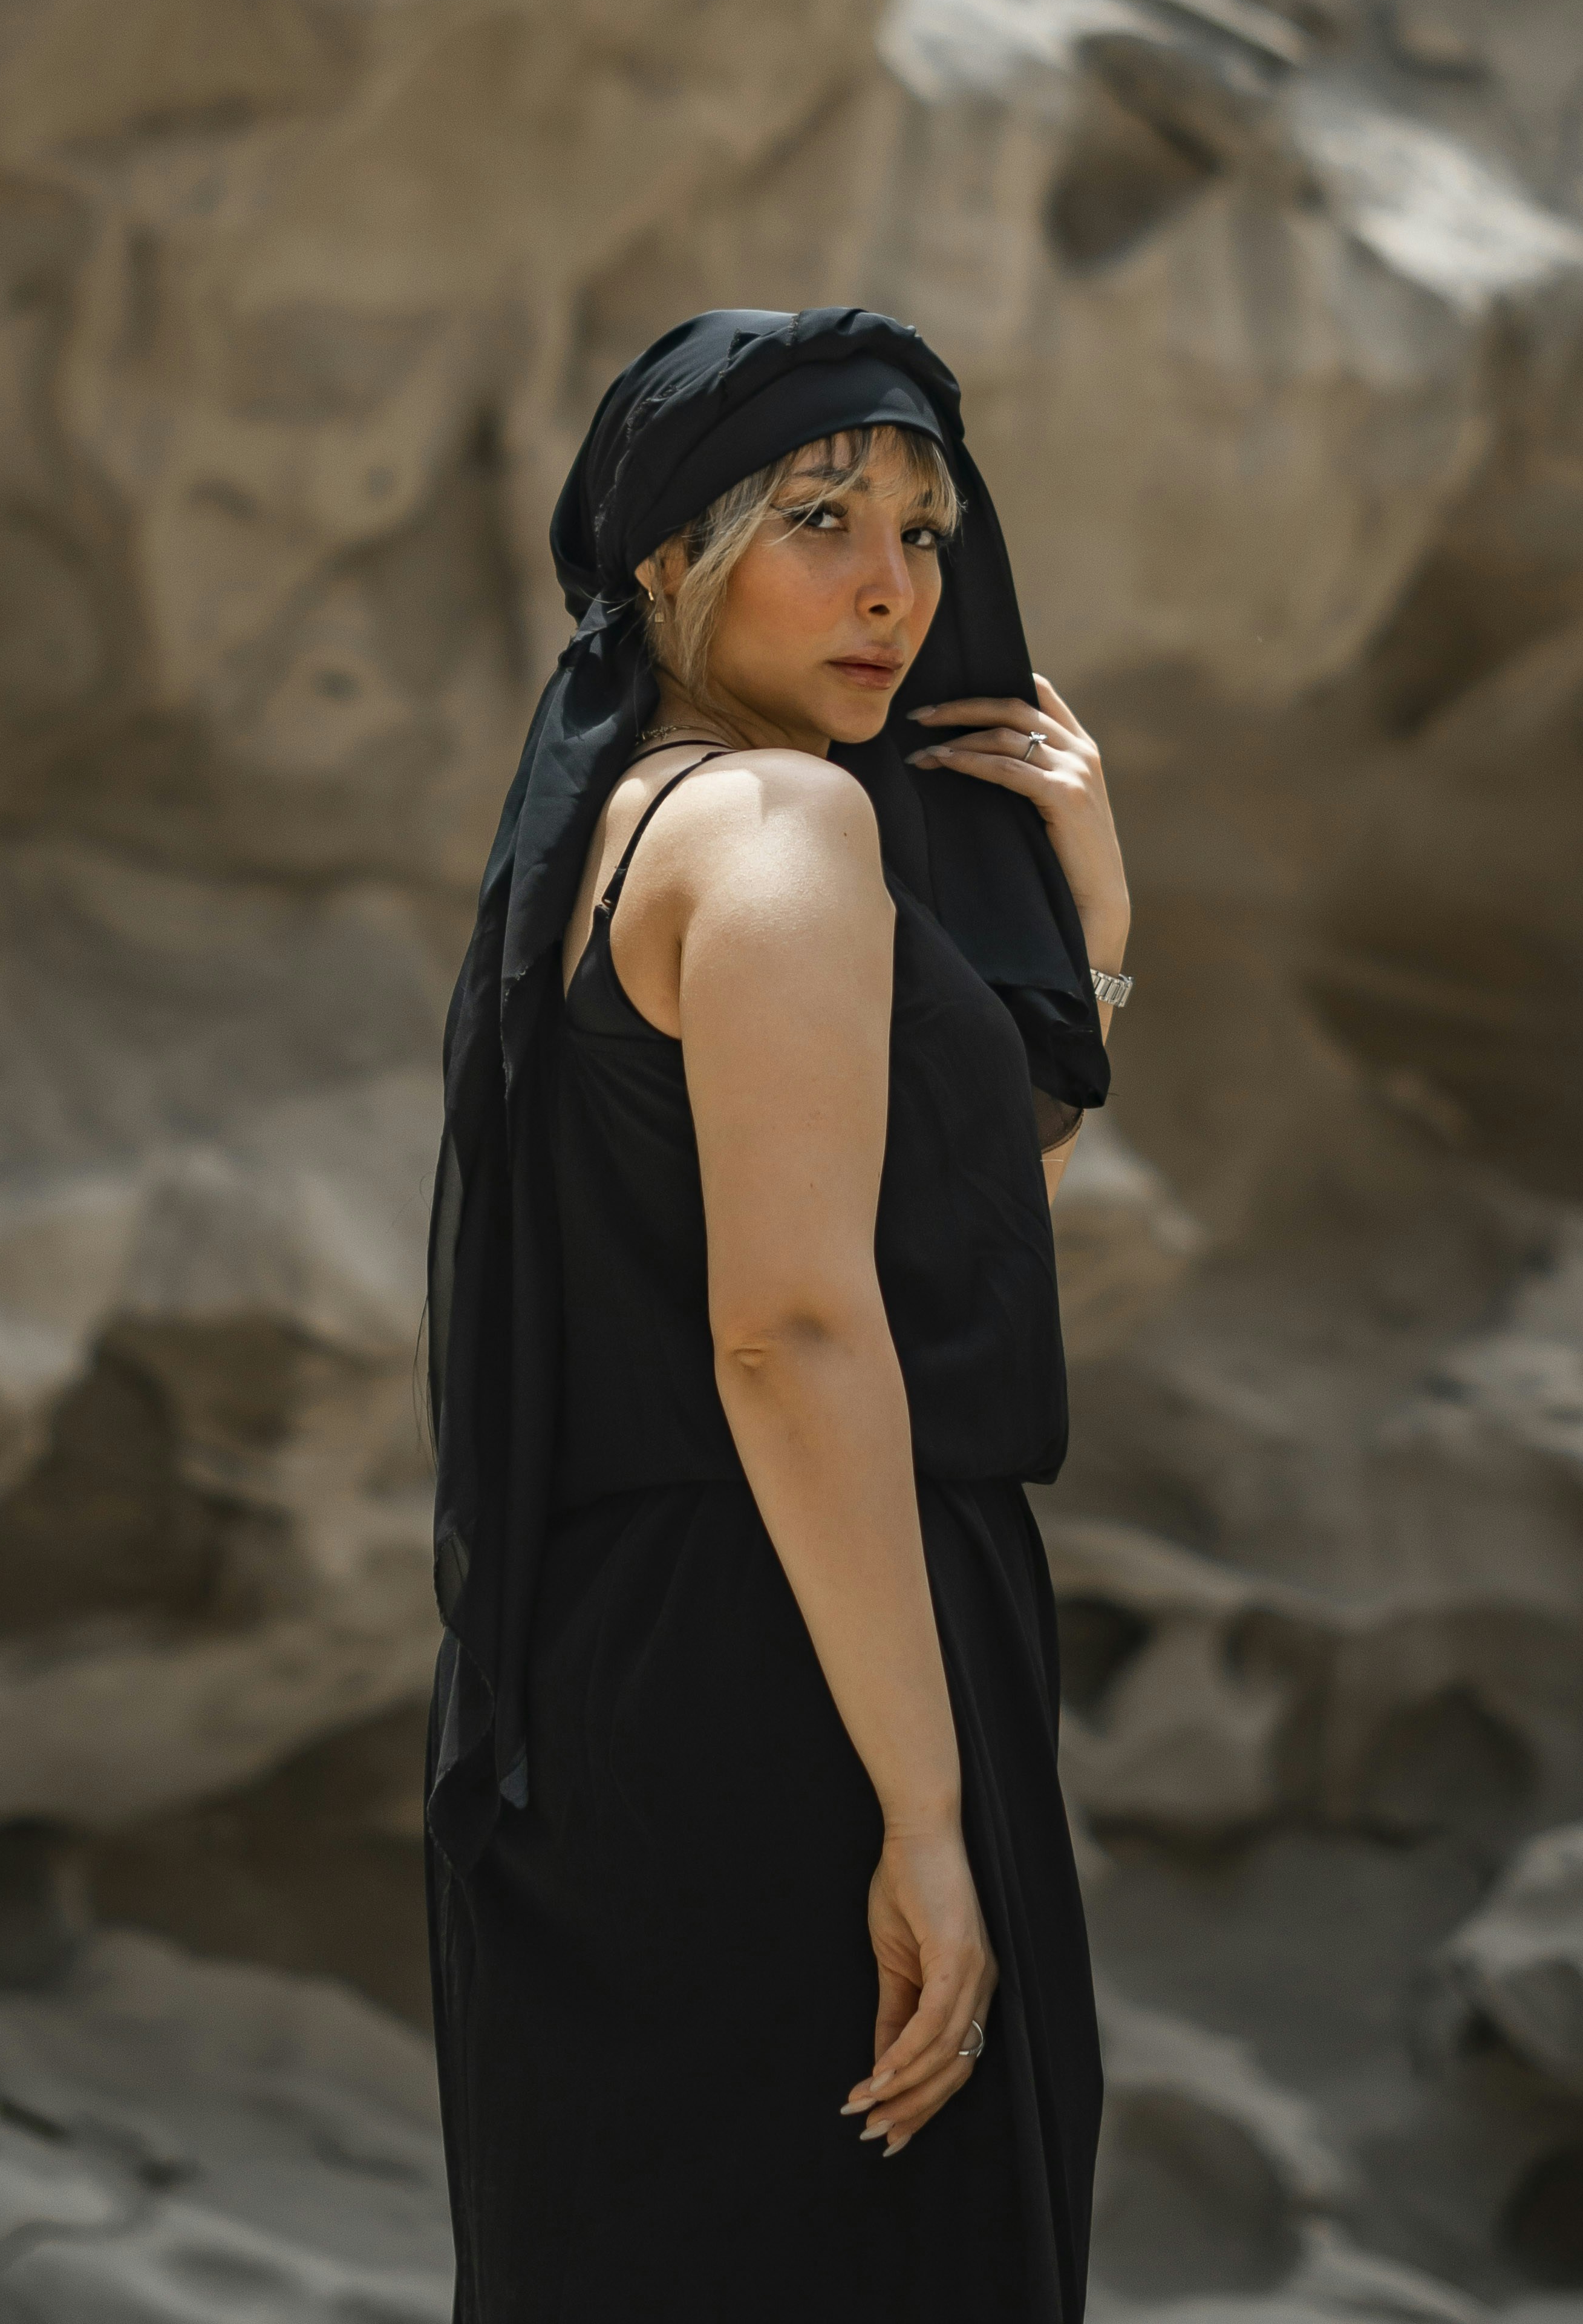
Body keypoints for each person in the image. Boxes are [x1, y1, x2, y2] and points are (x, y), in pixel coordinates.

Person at [425, 308, 1131, 2320]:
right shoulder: (781, 829)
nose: (893, 585)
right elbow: (797, 1338)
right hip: (801, 1678)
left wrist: (1095, 934)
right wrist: (924, 1812)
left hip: (628, 1673)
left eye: (925, 527)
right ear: (668, 557)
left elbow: (926, 1250)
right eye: (819, 517)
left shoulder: (607, 836)